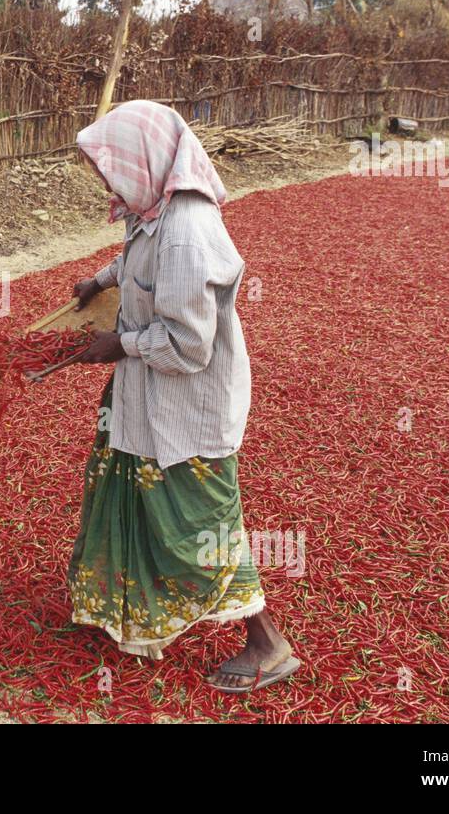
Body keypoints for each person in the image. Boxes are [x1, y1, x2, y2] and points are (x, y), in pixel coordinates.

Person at [66, 99, 300, 692]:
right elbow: (134, 257)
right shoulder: (153, 210)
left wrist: (119, 345)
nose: (104, 180)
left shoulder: (187, 234)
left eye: (109, 167)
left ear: (144, 160)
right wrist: (102, 279)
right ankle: (135, 613)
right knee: (134, 491)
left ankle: (267, 642)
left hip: (188, 407)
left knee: (203, 520)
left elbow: (190, 346)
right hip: (147, 396)